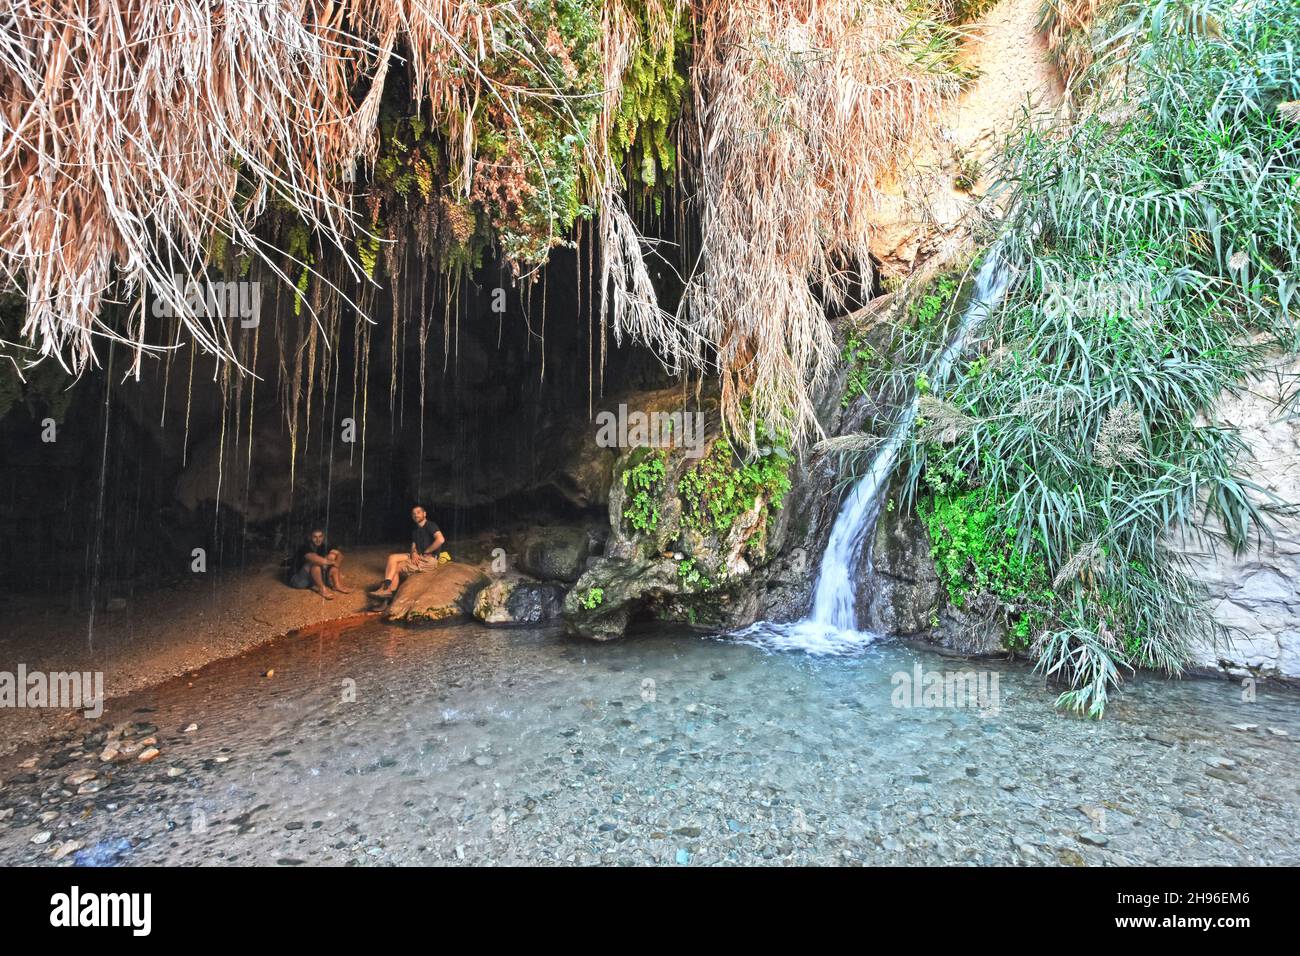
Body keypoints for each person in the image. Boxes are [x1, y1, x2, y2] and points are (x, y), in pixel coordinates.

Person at [370, 505, 445, 598]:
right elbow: (413, 545)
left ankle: (387, 591)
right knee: (392, 557)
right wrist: (413, 553)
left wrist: (427, 551)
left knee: (395, 568)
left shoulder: (430, 525)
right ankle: (386, 587)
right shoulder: (415, 530)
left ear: (424, 514)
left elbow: (440, 540)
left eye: (418, 512)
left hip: (428, 559)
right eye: (413, 513)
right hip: (419, 555)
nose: (416, 515)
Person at [289, 527, 351, 599]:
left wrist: (336, 563)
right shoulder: (304, 547)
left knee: (332, 555)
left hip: (311, 580)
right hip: (298, 581)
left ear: (323, 537)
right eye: (315, 537)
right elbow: (316, 559)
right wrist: (333, 562)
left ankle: (337, 585)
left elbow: (340, 555)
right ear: (310, 538)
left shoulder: (323, 546)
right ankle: (322, 589)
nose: (318, 539)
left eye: (320, 536)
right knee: (315, 563)